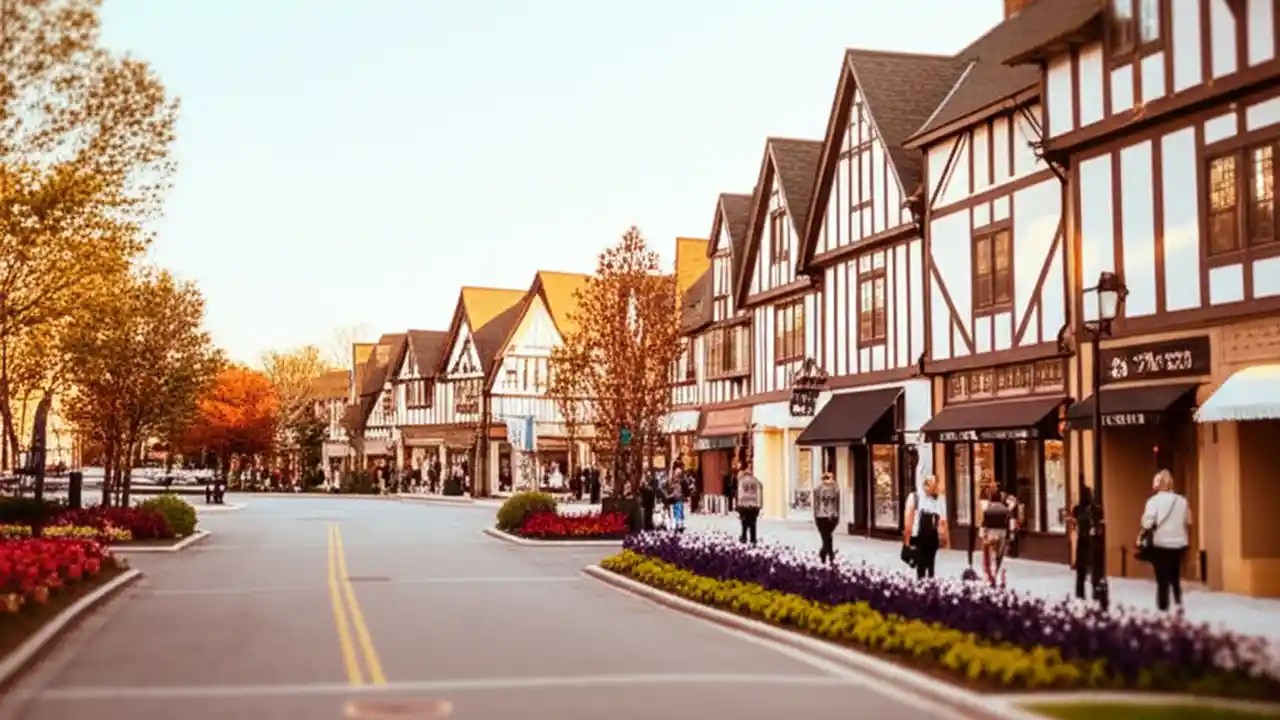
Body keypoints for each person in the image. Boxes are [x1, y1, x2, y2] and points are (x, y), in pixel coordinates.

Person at [1141, 469, 1191, 612]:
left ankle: (1163, 606)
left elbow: (1147, 523)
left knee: (1162, 577)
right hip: (1179, 543)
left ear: (1157, 484)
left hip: (1161, 543)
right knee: (1175, 574)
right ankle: (1178, 600)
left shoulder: (1153, 501)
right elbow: (1188, 520)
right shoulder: (1182, 501)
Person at [903, 474, 948, 580]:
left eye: (934, 485)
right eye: (929, 484)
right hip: (919, 534)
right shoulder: (915, 497)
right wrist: (907, 540)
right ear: (924, 485)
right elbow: (908, 519)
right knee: (921, 563)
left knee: (931, 562)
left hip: (933, 535)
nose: (932, 487)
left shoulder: (940, 499)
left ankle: (930, 582)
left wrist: (943, 535)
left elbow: (942, 520)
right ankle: (921, 581)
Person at [1066, 485, 1097, 601]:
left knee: (1081, 569)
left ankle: (1080, 593)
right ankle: (1090, 592)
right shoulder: (1092, 508)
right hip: (1089, 539)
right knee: (1089, 566)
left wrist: (1073, 521)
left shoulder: (1079, 509)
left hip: (1082, 540)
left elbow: (1074, 522)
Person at [979, 483, 1010, 587]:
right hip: (1002, 533)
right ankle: (999, 577)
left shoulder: (987, 509)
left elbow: (984, 523)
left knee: (992, 555)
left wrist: (983, 535)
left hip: (991, 534)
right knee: (1000, 556)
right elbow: (1008, 524)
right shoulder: (1005, 510)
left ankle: (992, 577)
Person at [812, 472, 840, 564]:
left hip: (821, 515)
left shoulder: (818, 488)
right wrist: (837, 515)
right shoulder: (836, 488)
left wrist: (815, 515)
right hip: (832, 515)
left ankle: (824, 553)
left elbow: (816, 504)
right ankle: (829, 554)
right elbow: (837, 503)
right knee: (828, 536)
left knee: (826, 536)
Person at [736, 464, 762, 545]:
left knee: (744, 523)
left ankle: (744, 537)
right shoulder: (756, 481)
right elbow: (759, 493)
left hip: (744, 505)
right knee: (753, 523)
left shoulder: (741, 481)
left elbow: (740, 494)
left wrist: (739, 505)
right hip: (754, 505)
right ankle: (753, 539)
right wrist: (759, 505)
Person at [666, 468, 687, 532]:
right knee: (676, 512)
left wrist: (669, 496)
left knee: (679, 512)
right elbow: (670, 487)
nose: (677, 474)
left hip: (678, 499)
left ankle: (679, 525)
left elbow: (679, 492)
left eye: (678, 473)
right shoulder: (674, 481)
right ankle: (678, 525)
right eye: (676, 473)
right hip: (674, 499)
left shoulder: (681, 482)